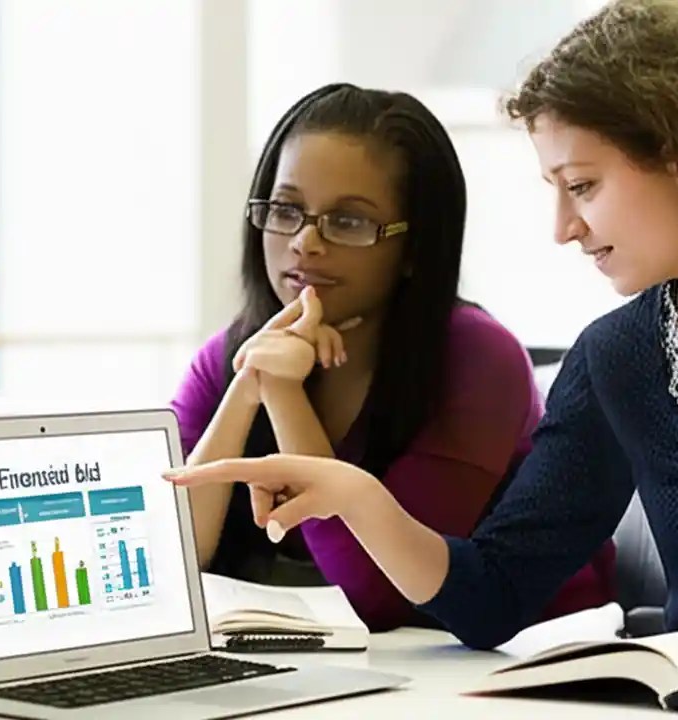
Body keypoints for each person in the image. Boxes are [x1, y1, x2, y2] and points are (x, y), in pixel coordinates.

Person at [166, 0, 678, 659]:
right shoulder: (619, 355)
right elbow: (492, 597)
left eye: (581, 186)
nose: (562, 228)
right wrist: (360, 498)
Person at [171, 83, 616, 631]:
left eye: (349, 221)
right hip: (346, 671)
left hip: (527, 670)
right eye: (286, 210)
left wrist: (284, 396)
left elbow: (376, 597)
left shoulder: (477, 359)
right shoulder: (229, 358)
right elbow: (170, 568)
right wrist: (249, 387)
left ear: (413, 249)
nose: (305, 243)